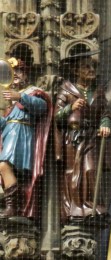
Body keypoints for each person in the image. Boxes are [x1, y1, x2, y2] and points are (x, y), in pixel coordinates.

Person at [55, 52, 111, 223]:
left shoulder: (98, 93)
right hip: (73, 138)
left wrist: (105, 125)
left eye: (93, 66)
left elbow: (105, 113)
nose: (91, 70)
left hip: (91, 137)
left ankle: (92, 206)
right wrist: (70, 108)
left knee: (91, 169)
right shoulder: (67, 89)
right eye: (86, 66)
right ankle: (76, 208)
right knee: (75, 172)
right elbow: (57, 116)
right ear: (76, 71)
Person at [0, 58, 51, 220]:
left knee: (3, 166)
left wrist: (20, 97)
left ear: (26, 74)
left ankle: (12, 206)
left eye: (19, 72)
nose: (15, 76)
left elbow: (42, 107)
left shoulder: (33, 91)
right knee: (5, 169)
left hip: (22, 135)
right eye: (12, 73)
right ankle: (14, 206)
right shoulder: (11, 101)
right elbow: (5, 123)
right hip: (10, 135)